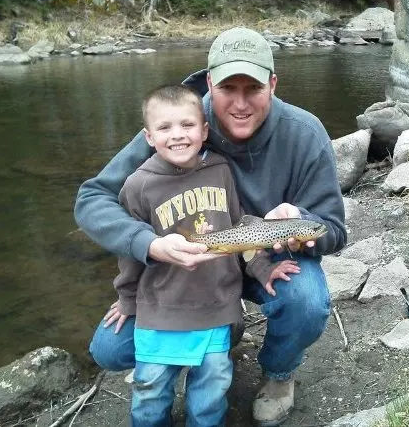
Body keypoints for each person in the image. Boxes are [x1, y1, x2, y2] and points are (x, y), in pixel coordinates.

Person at [75, 27, 347, 427]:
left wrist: (303, 226)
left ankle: (279, 374)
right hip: (188, 267)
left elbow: (334, 231)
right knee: (110, 349)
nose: (239, 103)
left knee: (306, 300)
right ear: (209, 85)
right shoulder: (179, 123)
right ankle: (216, 335)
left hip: (263, 260)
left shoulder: (305, 135)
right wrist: (146, 245)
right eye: (227, 89)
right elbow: (92, 198)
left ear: (273, 84)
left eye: (252, 88)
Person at [111, 84, 299, 426]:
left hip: (217, 305)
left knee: (212, 390)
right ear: (148, 137)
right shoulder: (137, 186)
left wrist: (262, 269)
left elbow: (243, 233)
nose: (178, 135)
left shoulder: (221, 171)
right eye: (165, 128)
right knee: (150, 391)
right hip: (160, 311)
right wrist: (126, 298)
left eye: (187, 125)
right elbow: (130, 252)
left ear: (204, 130)